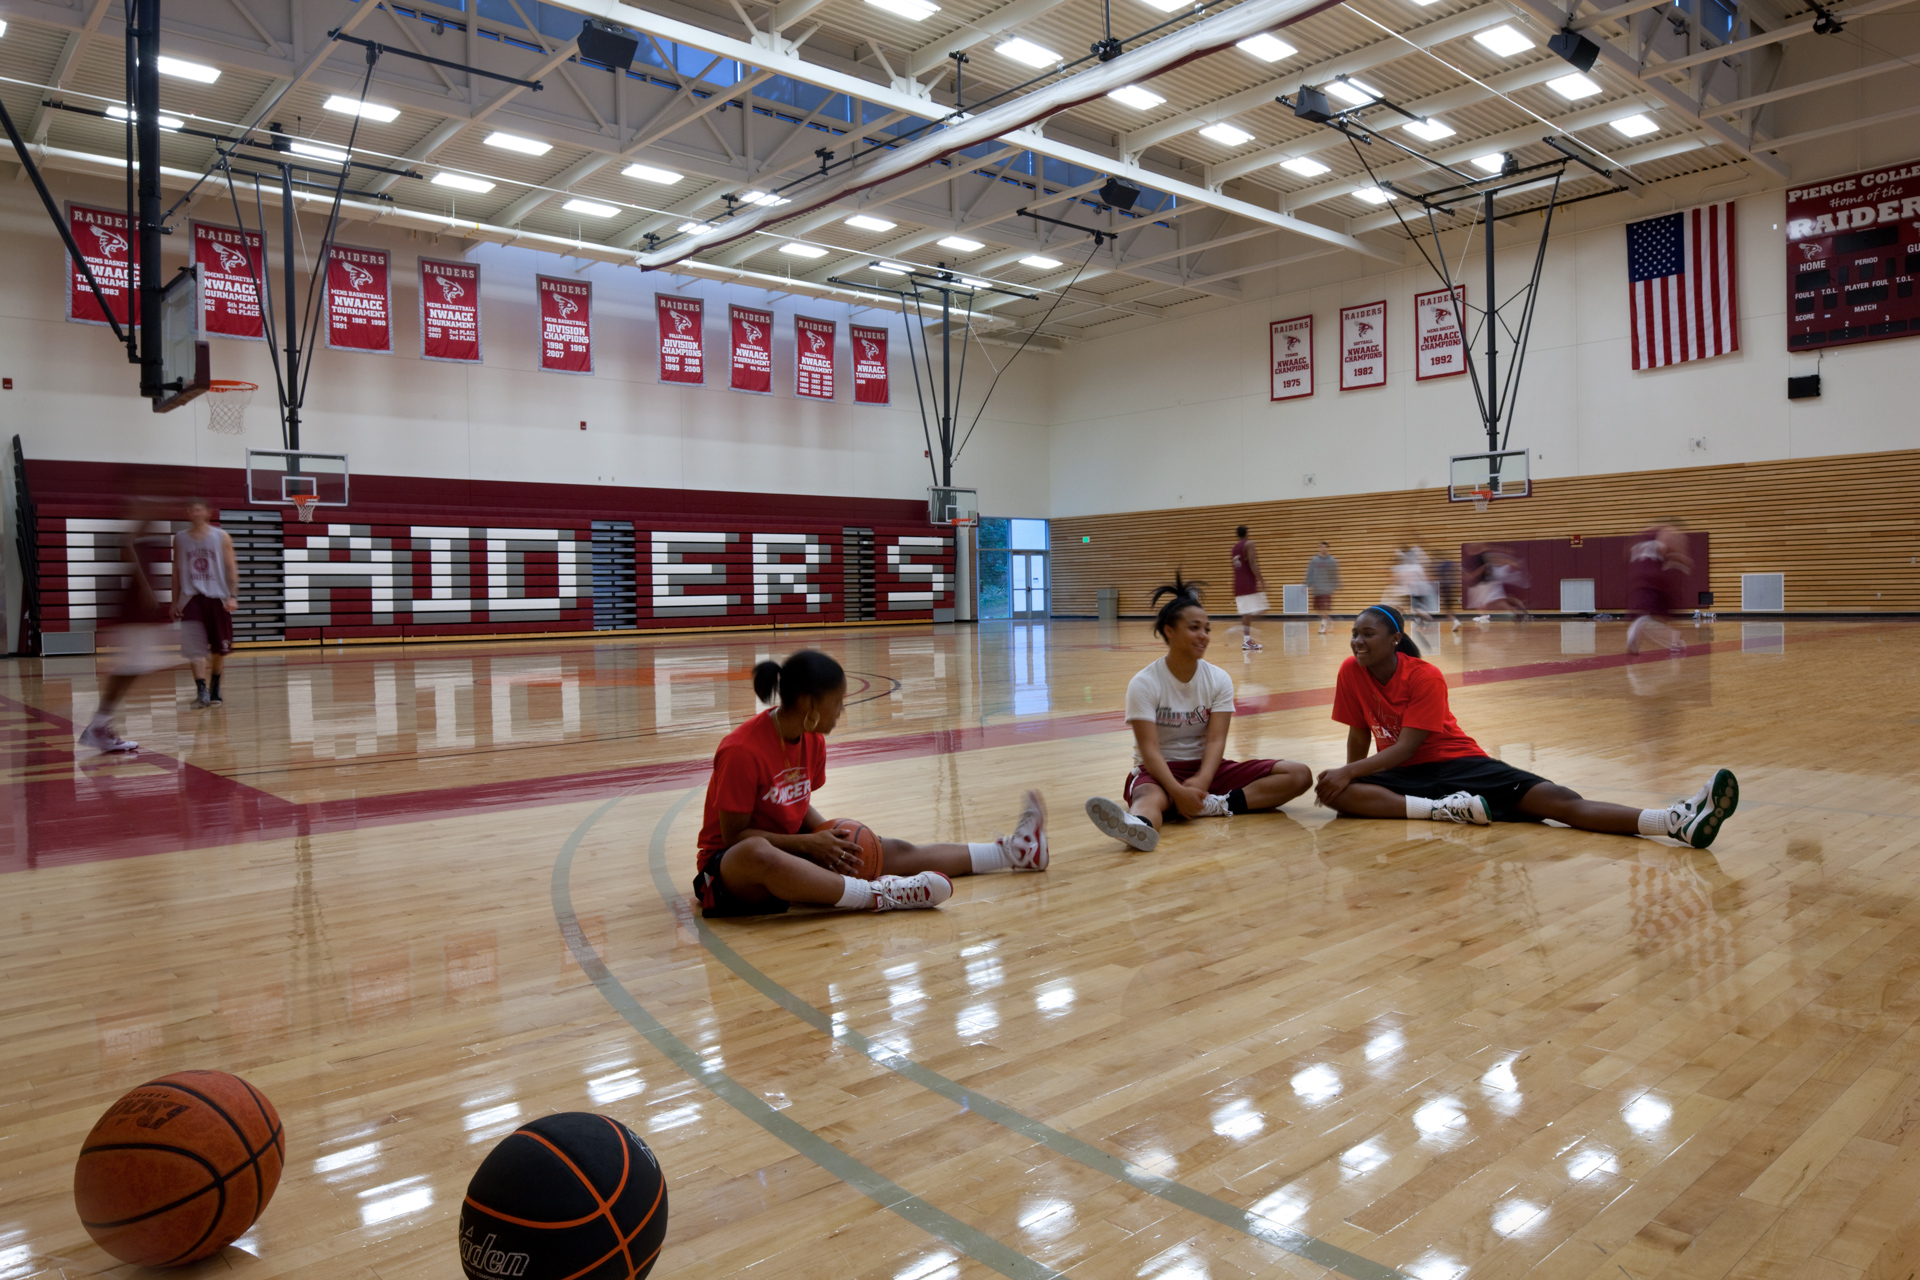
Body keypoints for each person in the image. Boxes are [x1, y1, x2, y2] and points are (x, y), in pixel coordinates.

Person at [1314, 605, 1738, 846]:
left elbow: (1407, 748)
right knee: (1340, 794)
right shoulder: (1351, 671)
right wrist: (1344, 781)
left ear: (1393, 640)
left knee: (1560, 803)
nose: (1357, 641)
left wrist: (1350, 774)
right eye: (1354, 633)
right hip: (1406, 777)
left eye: (1367, 634)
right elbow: (1358, 732)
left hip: (1457, 764)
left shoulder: (1424, 676)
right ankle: (1445, 811)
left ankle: (1672, 821)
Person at [694, 650, 1048, 916]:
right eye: (837, 703)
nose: (841, 711)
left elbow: (794, 805)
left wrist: (832, 840)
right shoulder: (741, 750)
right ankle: (879, 896)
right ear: (808, 703)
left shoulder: (811, 739)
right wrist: (809, 844)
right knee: (756, 853)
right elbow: (733, 838)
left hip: (792, 848)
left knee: (878, 847)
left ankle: (1014, 852)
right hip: (729, 871)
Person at [1084, 575, 1312, 851]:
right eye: (1194, 628)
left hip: (1208, 769)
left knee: (1298, 774)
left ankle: (1217, 805)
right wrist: (1178, 791)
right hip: (1159, 771)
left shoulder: (1219, 679)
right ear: (1170, 631)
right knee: (1148, 796)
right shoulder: (1144, 683)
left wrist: (1203, 781)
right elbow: (1149, 748)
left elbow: (1216, 741)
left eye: (1207, 628)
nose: (1204, 635)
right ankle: (1140, 826)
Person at [79, 496, 177, 752]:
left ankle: (100, 725)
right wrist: (145, 588)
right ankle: (98, 727)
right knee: (131, 666)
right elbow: (126, 547)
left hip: (139, 607)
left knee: (133, 666)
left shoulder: (145, 527)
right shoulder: (137, 526)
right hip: (136, 606)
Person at [171, 499, 239, 709]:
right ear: (188, 513)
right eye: (191, 509)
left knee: (219, 648)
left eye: (199, 509)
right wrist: (174, 600)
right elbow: (176, 570)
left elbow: (230, 567)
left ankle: (215, 685)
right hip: (192, 597)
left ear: (207, 513)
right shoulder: (180, 538)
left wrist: (233, 595)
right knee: (195, 648)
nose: (196, 513)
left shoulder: (221, 536)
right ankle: (202, 691)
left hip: (218, 597)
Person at [1626, 523, 1693, 655]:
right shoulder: (1667, 531)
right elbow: (1670, 547)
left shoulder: (1641, 536)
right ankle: (1674, 640)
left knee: (1652, 613)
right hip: (1655, 576)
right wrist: (1683, 560)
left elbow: (1627, 551)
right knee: (1657, 614)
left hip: (1637, 577)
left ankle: (1636, 638)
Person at [1229, 525, 1268, 651]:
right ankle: (1241, 632)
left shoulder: (1234, 548)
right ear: (1246, 534)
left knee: (1249, 612)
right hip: (1247, 582)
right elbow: (1252, 563)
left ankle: (1246, 638)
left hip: (1238, 583)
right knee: (1260, 609)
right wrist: (1261, 580)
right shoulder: (1249, 544)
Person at [1305, 541, 1341, 634]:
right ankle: (1328, 620)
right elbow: (1310, 572)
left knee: (1324, 608)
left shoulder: (1332, 561)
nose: (1323, 549)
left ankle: (1323, 627)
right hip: (1317, 588)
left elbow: (1335, 574)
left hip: (1326, 589)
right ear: (1319, 548)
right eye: (1322, 547)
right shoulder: (1314, 560)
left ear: (1328, 549)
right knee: (1318, 609)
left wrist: (1338, 584)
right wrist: (1308, 584)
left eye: (1325, 547)